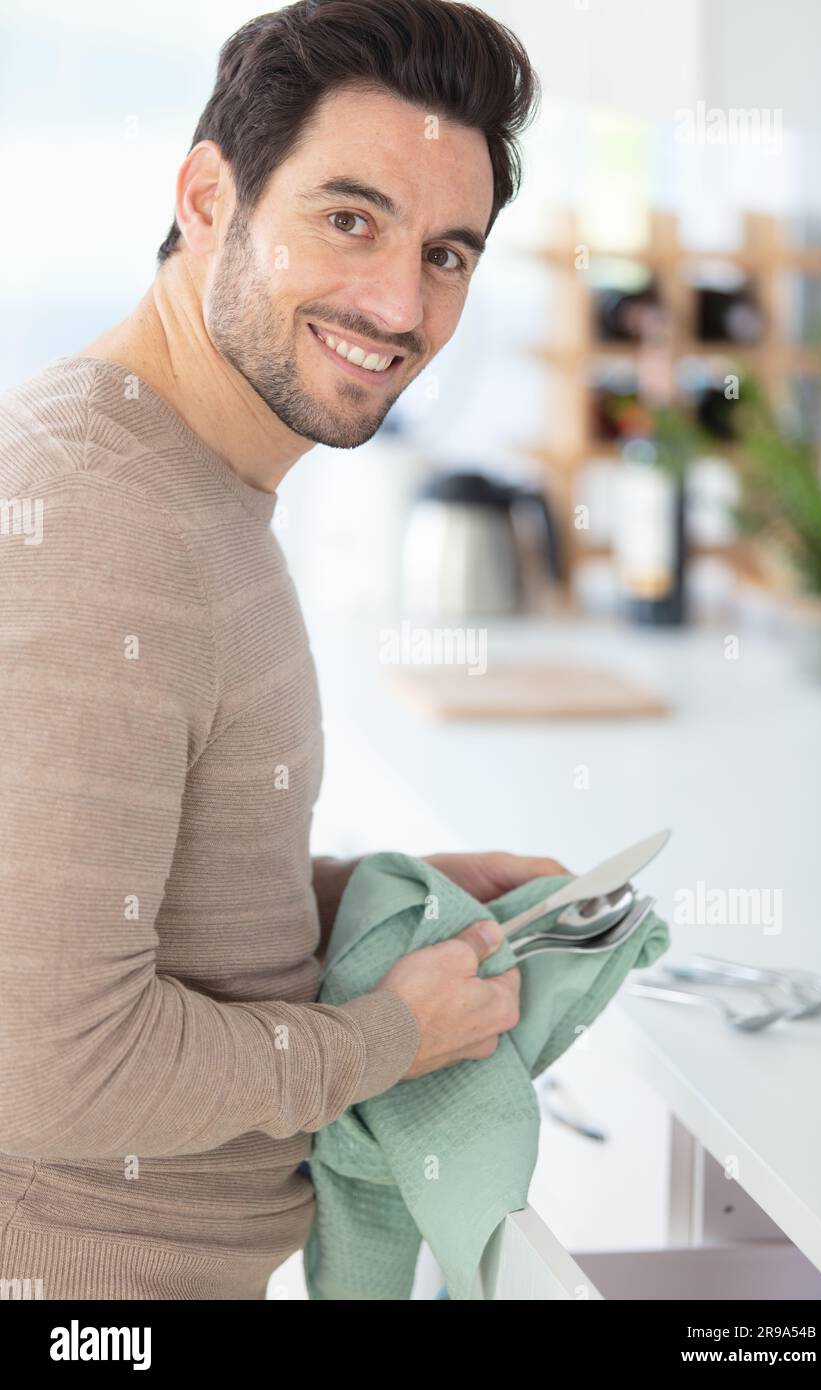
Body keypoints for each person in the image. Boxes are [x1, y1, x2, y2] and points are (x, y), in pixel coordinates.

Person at [0, 0, 566, 1300]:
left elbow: (105, 897)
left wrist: (360, 891)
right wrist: (386, 1038)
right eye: (349, 218)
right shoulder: (95, 525)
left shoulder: (187, 479)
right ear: (209, 195)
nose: (396, 301)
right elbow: (46, 1058)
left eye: (447, 254)